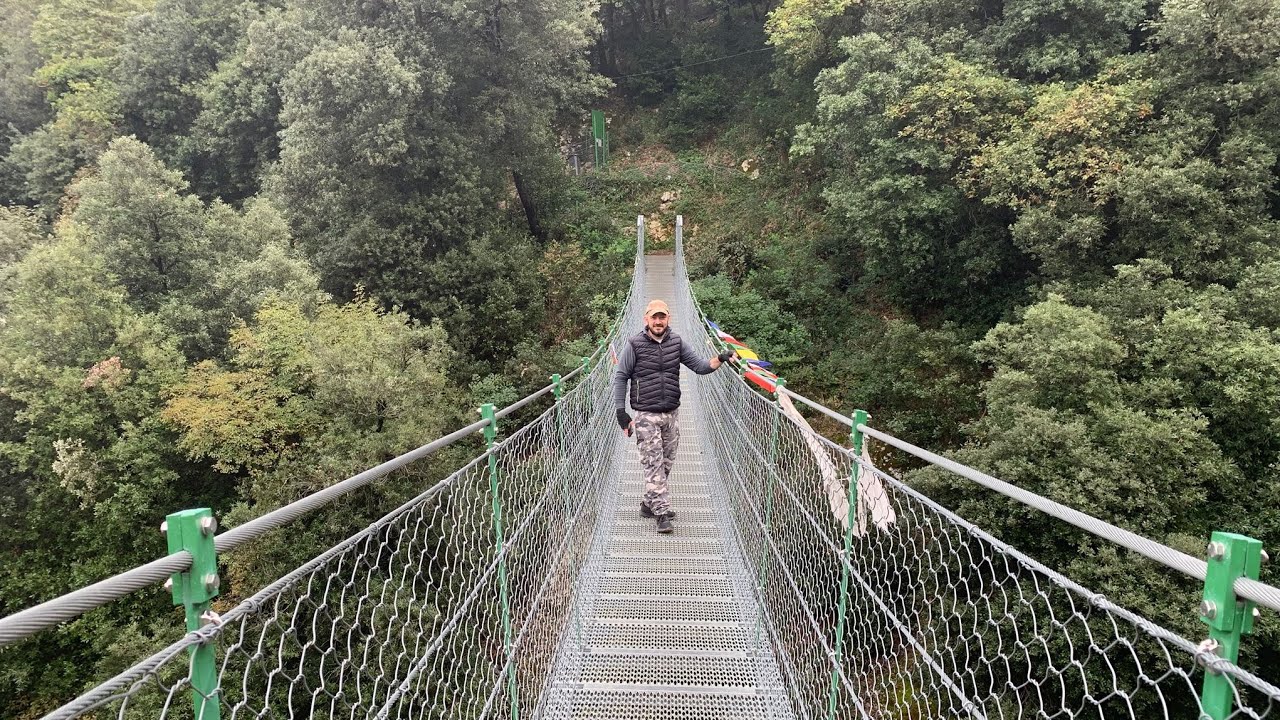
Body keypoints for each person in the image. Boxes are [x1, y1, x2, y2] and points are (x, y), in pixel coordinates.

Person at [613, 299, 736, 533]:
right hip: (646, 414)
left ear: (668, 318)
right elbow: (621, 377)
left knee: (667, 462)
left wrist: (720, 358)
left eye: (662, 317)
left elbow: (700, 366)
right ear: (646, 320)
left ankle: (649, 505)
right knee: (654, 464)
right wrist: (621, 411)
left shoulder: (676, 343)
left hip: (671, 413)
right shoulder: (634, 345)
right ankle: (661, 513)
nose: (658, 321)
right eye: (654, 317)